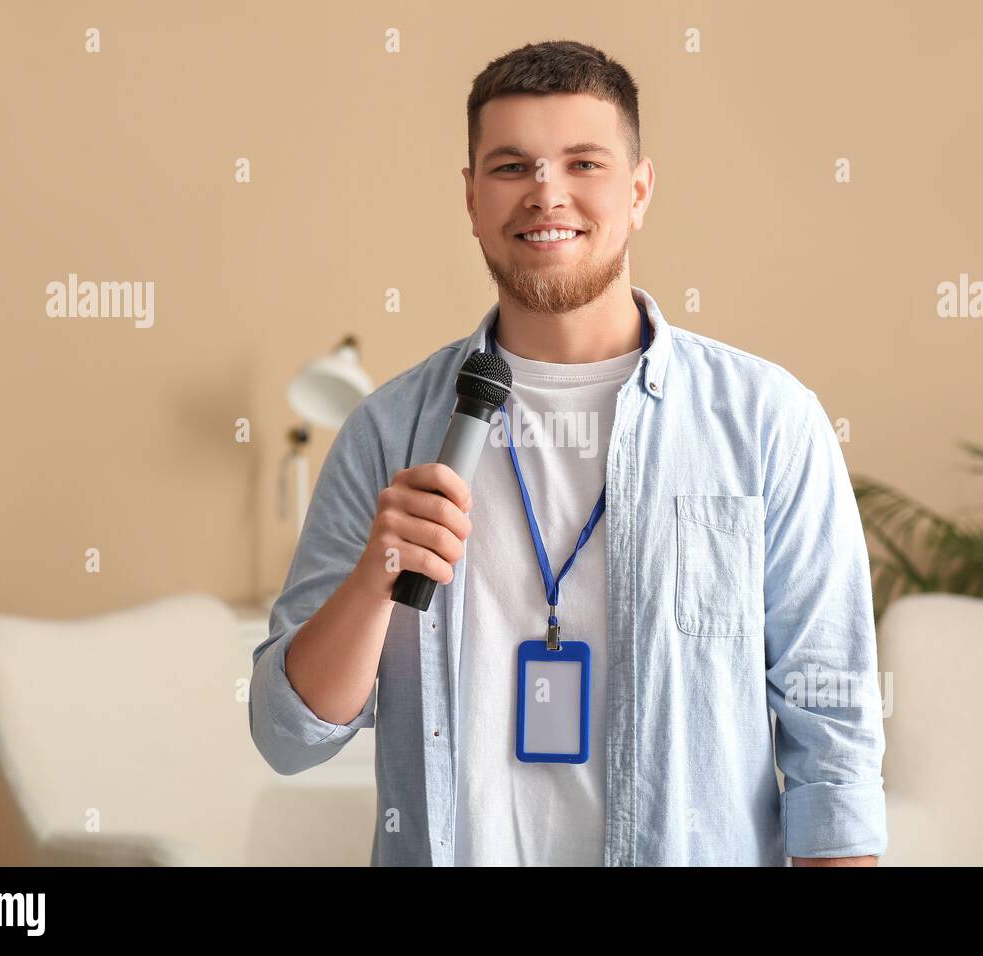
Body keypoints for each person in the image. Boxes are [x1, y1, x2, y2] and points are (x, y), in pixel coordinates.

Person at [249, 39, 887, 867]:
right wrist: (376, 580)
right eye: (511, 167)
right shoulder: (388, 429)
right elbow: (286, 734)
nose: (546, 192)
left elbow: (830, 730)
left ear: (639, 189)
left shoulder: (768, 421)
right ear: (472, 198)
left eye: (583, 162)